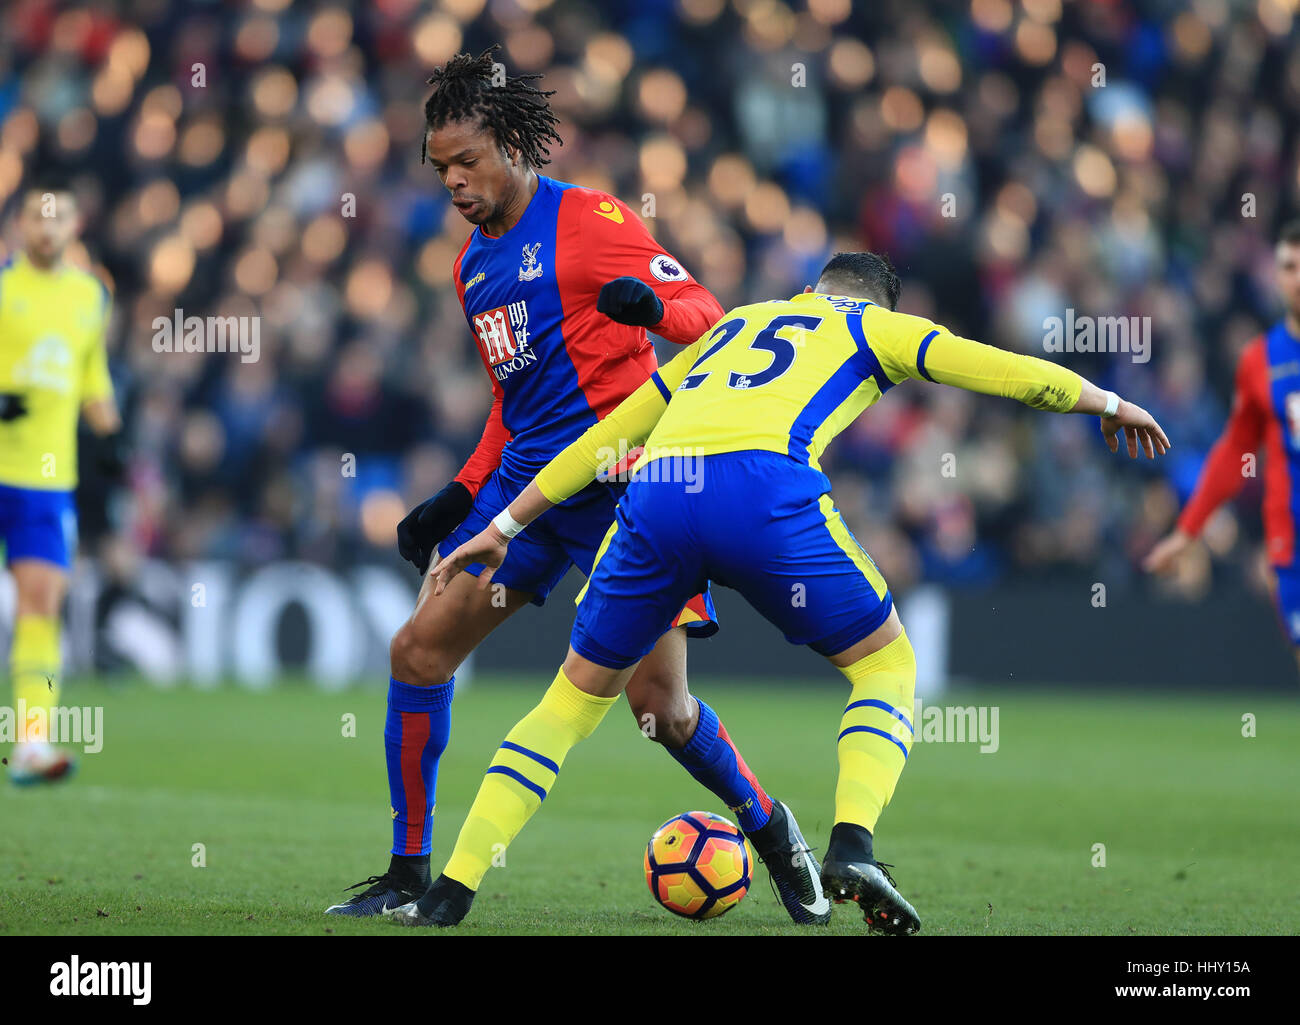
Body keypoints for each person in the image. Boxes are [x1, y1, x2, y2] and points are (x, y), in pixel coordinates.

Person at [393, 251, 1171, 932]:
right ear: (876, 301)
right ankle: (853, 846)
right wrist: (1109, 400)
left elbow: (610, 436)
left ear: (812, 288)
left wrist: (505, 521)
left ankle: (450, 890)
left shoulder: (736, 325)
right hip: (764, 489)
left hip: (658, 492)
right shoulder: (875, 328)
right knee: (885, 668)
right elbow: (998, 367)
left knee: (567, 703)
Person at [325, 48, 828, 924]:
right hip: (528, 496)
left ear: (516, 145)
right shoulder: (471, 266)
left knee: (660, 709)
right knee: (416, 652)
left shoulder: (591, 221)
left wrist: (649, 311)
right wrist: (461, 489)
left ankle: (770, 827)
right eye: (440, 168)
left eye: (466, 161)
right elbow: (511, 397)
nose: (453, 182)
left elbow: (709, 318)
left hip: (628, 493)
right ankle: (408, 869)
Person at [1, 178, 123, 784]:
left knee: (41, 604)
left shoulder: (87, 296)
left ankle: (29, 744)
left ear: (74, 226)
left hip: (46, 480)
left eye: (59, 219)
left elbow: (90, 375)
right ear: (20, 226)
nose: (47, 229)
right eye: (36, 218)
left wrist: (114, 437)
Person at [1145, 220, 1300, 676]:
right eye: (1290, 267)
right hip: (1290, 545)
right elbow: (1236, 452)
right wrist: (1187, 530)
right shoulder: (1261, 360)